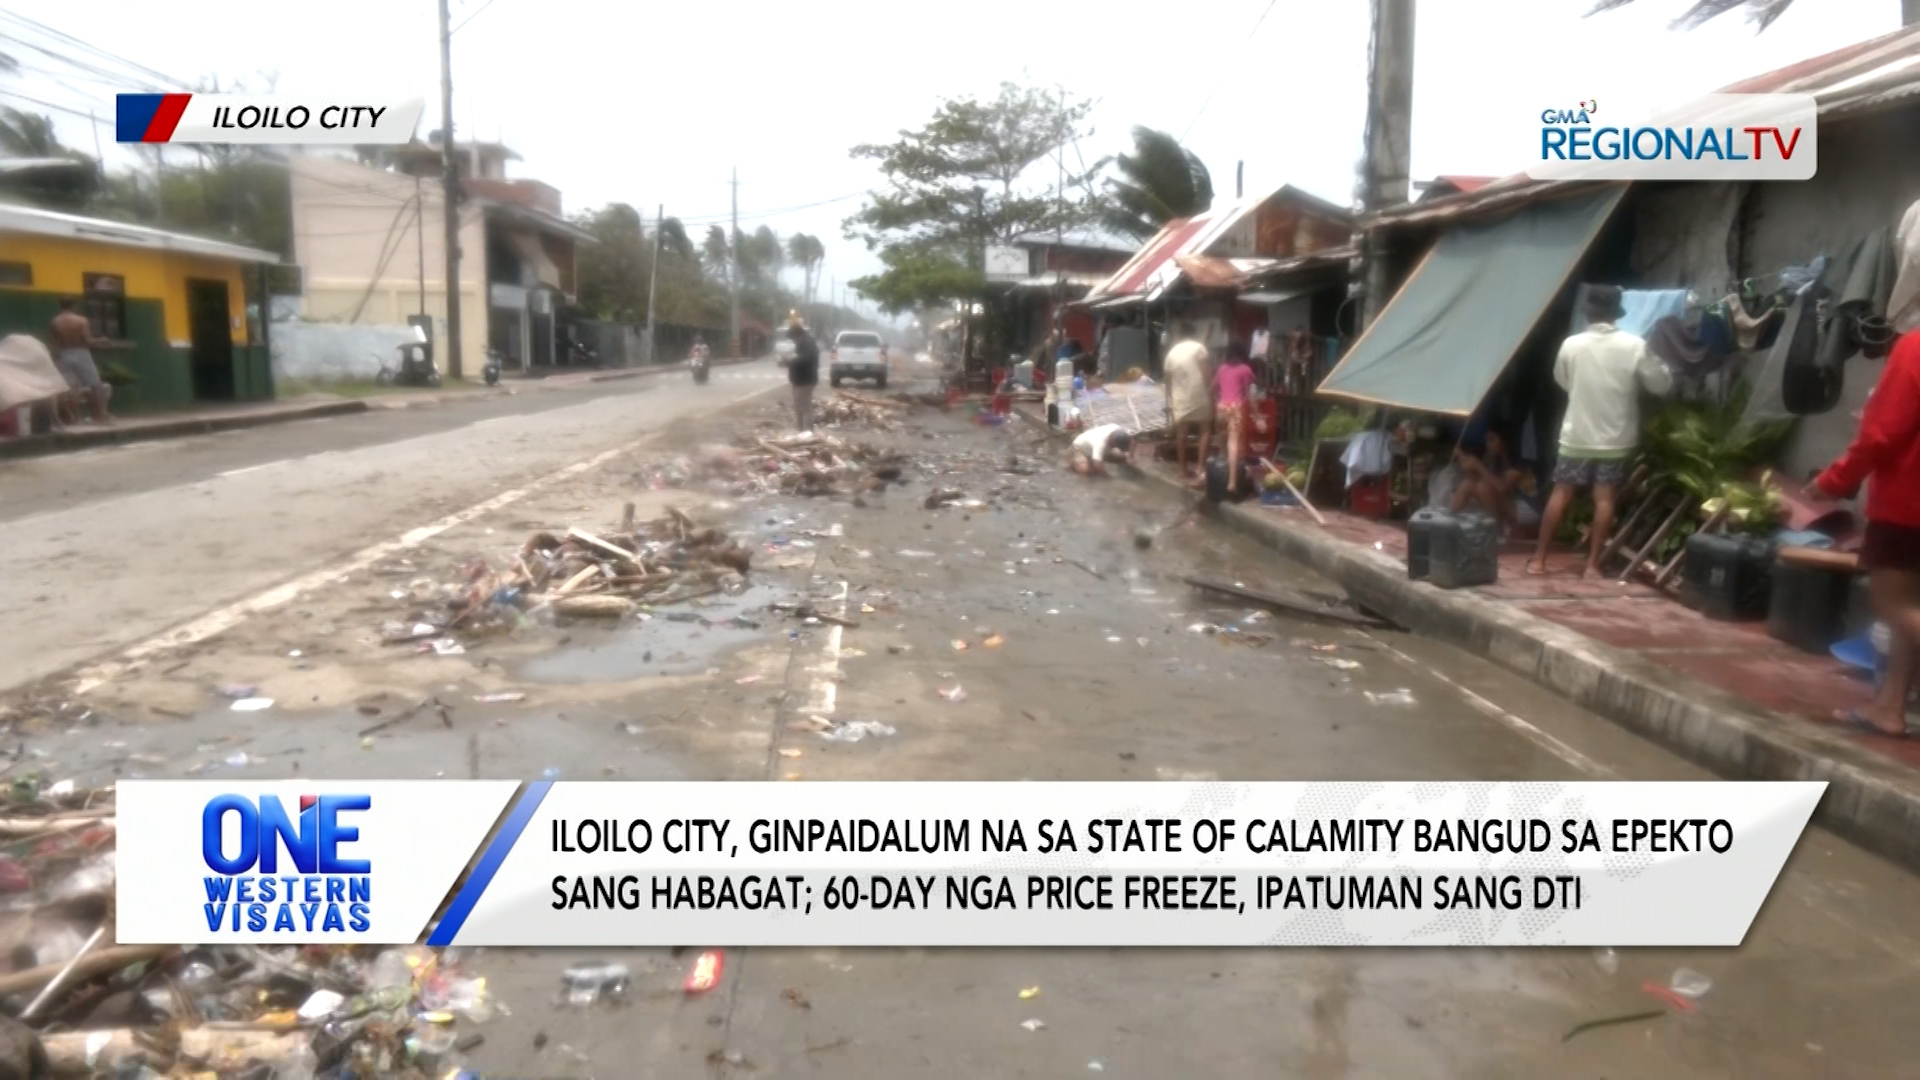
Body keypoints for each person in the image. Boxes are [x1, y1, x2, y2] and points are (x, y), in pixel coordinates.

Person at [1814, 328, 1920, 737]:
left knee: (1893, 604)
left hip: (1909, 503)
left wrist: (1834, 480)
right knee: (1910, 605)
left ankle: (1889, 706)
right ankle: (1889, 708)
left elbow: (1881, 433)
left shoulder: (1914, 347)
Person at [1531, 285, 1671, 577]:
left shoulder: (1571, 345)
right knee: (1604, 498)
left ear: (1589, 313)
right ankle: (1592, 566)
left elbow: (1563, 380)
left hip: (1577, 435)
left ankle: (1539, 560)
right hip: (1615, 438)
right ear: (1616, 314)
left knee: (1562, 492)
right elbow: (1660, 385)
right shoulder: (1635, 345)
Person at [1450, 428, 1532, 534]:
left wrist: (1478, 466)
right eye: (1487, 440)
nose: (1488, 444)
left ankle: (1498, 529)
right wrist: (1464, 460)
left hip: (1526, 506)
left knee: (1483, 487)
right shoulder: (1495, 457)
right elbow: (1476, 479)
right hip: (1510, 503)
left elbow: (1502, 488)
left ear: (1504, 441)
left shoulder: (1517, 459)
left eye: (1492, 440)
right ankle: (1449, 519)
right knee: (1468, 484)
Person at [1202, 342, 1257, 497]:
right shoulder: (1245, 369)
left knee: (1222, 439)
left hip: (1221, 407)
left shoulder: (1222, 368)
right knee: (1233, 443)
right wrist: (1257, 415)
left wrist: (1217, 399)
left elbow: (1211, 389)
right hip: (1235, 408)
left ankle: (1222, 466)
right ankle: (1232, 481)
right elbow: (1251, 395)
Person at [1162, 322, 1212, 484]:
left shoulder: (1171, 353)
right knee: (1205, 429)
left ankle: (1182, 469)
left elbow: (1167, 379)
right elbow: (1206, 373)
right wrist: (1211, 392)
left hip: (1179, 397)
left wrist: (1169, 397)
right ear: (1193, 334)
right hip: (1199, 394)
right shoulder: (1199, 348)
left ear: (1179, 336)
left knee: (1181, 433)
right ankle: (1200, 468)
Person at [49, 298, 112, 425]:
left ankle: (74, 418)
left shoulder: (55, 322)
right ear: (74, 306)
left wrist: (55, 357)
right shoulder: (81, 320)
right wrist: (101, 340)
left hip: (64, 353)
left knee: (71, 388)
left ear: (61, 306)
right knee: (95, 385)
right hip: (81, 352)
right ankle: (99, 415)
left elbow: (54, 342)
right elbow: (88, 340)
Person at [780, 319, 820, 432]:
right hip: (801, 380)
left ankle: (806, 431)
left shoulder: (807, 343)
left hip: (804, 381)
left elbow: (805, 359)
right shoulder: (804, 342)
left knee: (804, 407)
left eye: (793, 338)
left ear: (797, 335)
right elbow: (801, 357)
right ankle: (801, 430)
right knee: (800, 407)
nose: (793, 341)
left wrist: (790, 362)